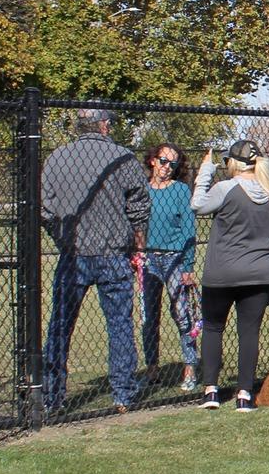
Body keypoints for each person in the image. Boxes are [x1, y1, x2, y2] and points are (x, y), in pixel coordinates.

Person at [40, 108, 149, 415]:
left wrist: (62, 238)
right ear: (103, 125)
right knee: (119, 325)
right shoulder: (123, 157)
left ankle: (52, 395)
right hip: (114, 252)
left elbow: (45, 209)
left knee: (59, 325)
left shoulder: (57, 158)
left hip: (73, 253)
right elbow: (139, 207)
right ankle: (123, 393)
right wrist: (138, 246)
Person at [192, 138, 269, 412]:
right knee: (249, 333)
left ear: (232, 163)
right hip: (259, 274)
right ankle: (245, 394)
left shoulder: (225, 188)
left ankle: (211, 391)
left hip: (221, 273)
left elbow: (198, 205)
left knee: (212, 328)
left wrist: (205, 171)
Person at [140, 143, 200, 393]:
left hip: (175, 258)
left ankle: (190, 367)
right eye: (163, 161)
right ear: (153, 160)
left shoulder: (180, 191)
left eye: (172, 164)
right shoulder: (142, 190)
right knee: (148, 317)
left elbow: (188, 228)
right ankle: (152, 369)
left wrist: (187, 265)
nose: (167, 168)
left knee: (181, 313)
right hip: (148, 258)